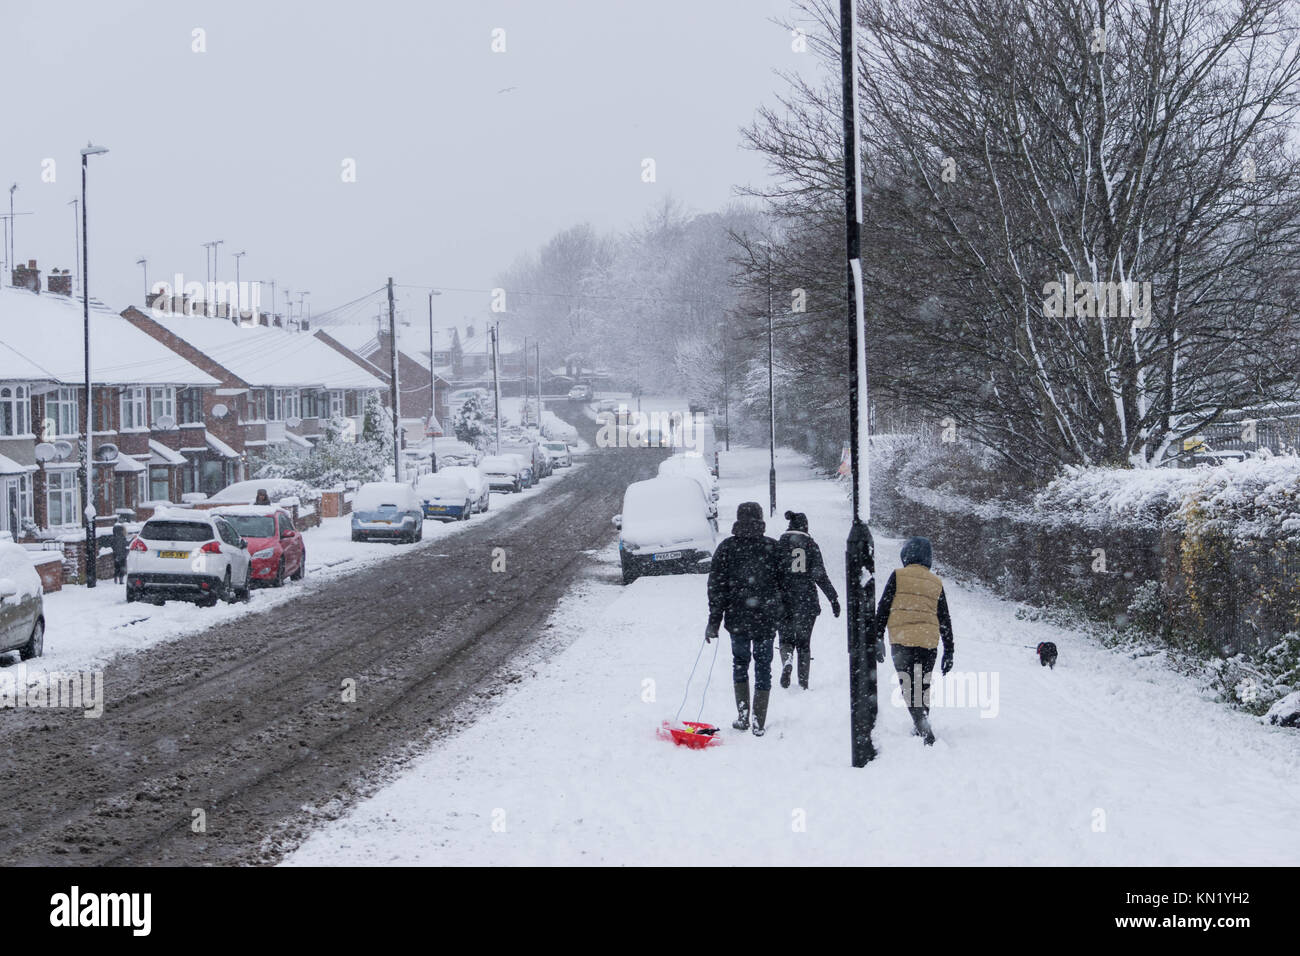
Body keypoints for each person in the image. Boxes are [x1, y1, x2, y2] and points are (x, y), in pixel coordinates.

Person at [705, 501, 788, 736]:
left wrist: (714, 621)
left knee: (740, 664)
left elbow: (716, 588)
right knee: (764, 667)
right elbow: (785, 586)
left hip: (737, 619)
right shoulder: (772, 548)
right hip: (765, 619)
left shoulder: (727, 548)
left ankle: (743, 715)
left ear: (738, 520)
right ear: (760, 520)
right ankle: (758, 721)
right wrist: (782, 614)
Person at [870, 536, 954, 745]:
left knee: (908, 686)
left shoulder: (898, 576)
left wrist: (877, 636)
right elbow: (945, 618)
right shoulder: (936, 582)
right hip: (928, 642)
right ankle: (921, 723)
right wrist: (949, 651)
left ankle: (924, 728)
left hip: (902, 641)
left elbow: (883, 607)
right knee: (922, 686)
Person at [775, 511, 840, 689]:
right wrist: (833, 598)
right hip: (806, 600)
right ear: (805, 526)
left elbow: (771, 574)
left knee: (786, 639)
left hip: (783, 600)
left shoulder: (779, 545)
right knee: (804, 643)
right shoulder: (811, 545)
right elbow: (820, 575)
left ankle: (787, 661)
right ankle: (803, 682)